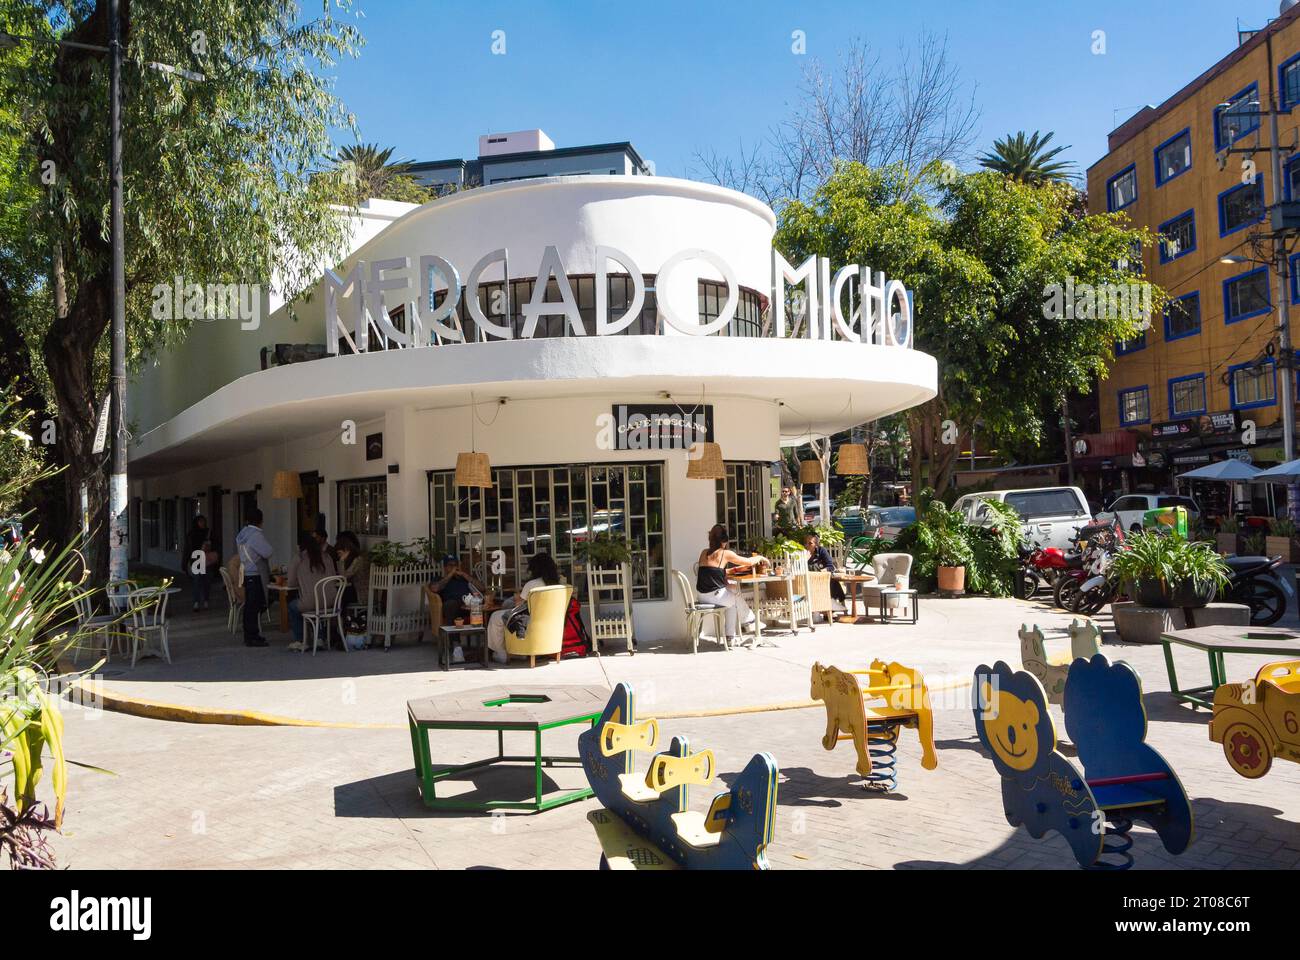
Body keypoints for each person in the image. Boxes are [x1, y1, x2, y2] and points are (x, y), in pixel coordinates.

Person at [696, 525, 768, 646]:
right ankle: (750, 622)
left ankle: (731, 638)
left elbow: (712, 572)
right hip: (714, 596)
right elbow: (749, 562)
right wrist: (761, 557)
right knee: (735, 597)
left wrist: (735, 570)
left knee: (733, 596)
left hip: (701, 596)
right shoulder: (725, 553)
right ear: (724, 541)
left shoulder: (704, 552)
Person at [486, 553, 563, 664]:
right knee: (504, 611)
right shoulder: (557, 585)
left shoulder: (532, 584)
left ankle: (501, 652)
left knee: (495, 616)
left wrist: (517, 596)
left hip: (529, 620)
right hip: (550, 621)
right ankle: (518, 652)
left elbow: (518, 605)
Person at [286, 531, 340, 651]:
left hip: (311, 602)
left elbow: (291, 583)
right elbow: (334, 577)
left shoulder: (299, 558)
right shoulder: (327, 556)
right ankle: (319, 637)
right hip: (331, 601)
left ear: (300, 546)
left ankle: (301, 640)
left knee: (293, 606)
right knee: (315, 607)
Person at [235, 508, 273, 647]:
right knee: (256, 605)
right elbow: (268, 552)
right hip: (256, 573)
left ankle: (250, 634)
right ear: (260, 520)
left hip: (247, 571)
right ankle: (252, 636)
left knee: (250, 606)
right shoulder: (256, 535)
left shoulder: (242, 533)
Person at [431, 554, 484, 625]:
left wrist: (464, 575)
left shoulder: (464, 578)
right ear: (445, 567)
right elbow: (435, 588)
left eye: (456, 565)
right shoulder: (439, 579)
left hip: (469, 606)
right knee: (450, 604)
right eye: (451, 565)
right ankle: (451, 631)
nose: (454, 567)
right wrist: (451, 574)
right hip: (453, 607)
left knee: (484, 603)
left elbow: (482, 588)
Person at [186, 515, 219, 612]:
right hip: (196, 561)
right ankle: (196, 602)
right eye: (200, 522)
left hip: (207, 560)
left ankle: (206, 600)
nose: (202, 523)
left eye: (203, 521)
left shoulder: (208, 532)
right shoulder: (192, 534)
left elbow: (215, 544)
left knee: (207, 581)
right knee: (196, 581)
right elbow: (188, 548)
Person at [803, 532, 846, 603]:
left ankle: (833, 603)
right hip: (807, 580)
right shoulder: (802, 553)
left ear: (816, 545)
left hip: (821, 578)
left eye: (810, 543)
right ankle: (834, 603)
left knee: (831, 579)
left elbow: (830, 567)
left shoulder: (821, 551)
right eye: (806, 543)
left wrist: (821, 572)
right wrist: (805, 559)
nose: (807, 545)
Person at [334, 531, 369, 609]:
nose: (339, 556)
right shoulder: (356, 559)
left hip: (361, 594)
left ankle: (340, 615)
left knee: (339, 595)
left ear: (346, 550)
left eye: (340, 553)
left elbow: (344, 576)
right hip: (355, 591)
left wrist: (341, 561)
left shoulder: (358, 560)